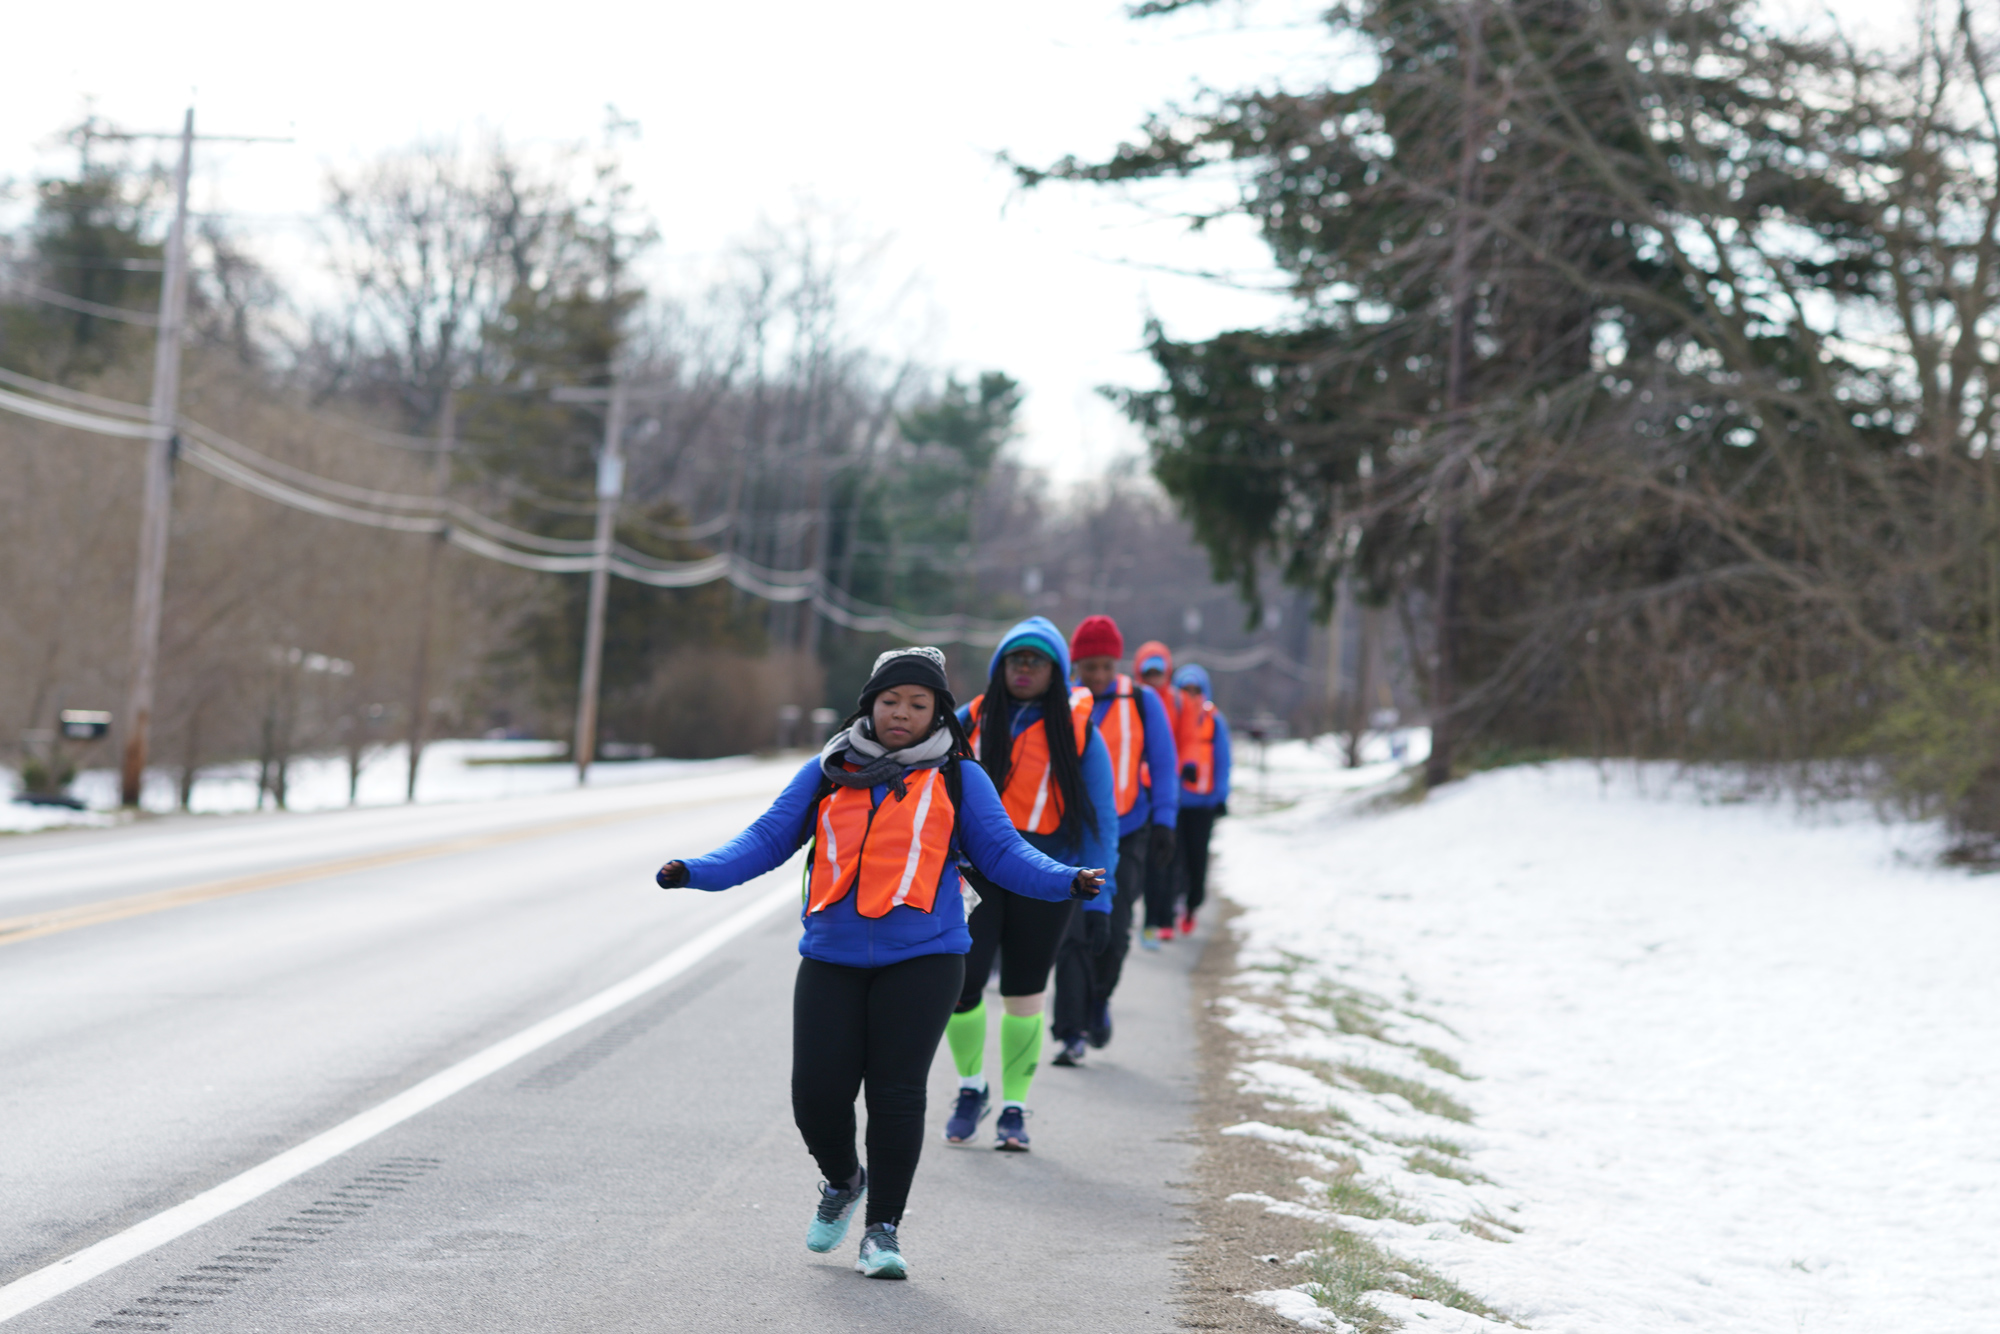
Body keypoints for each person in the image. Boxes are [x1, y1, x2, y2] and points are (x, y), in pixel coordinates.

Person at [652, 647, 1105, 1279]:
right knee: (815, 1096)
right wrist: (696, 871)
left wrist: (1068, 881)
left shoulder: (957, 776)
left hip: (925, 956)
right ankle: (843, 1180)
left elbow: (1004, 853)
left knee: (896, 1095)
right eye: (891, 701)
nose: (902, 714)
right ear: (870, 704)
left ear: (937, 712)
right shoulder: (829, 769)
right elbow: (767, 839)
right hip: (832, 955)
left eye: (919, 705)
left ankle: (882, 1232)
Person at [946, 616, 1119, 1151]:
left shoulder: (1080, 730)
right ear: (1000, 667)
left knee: (1023, 993)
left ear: (1056, 672)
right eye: (1016, 659)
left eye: (1037, 660)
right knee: (962, 985)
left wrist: (1099, 905)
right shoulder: (968, 719)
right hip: (976, 874)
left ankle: (1014, 1109)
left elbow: (1101, 822)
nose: (1025, 668)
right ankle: (971, 1088)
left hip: (1046, 877)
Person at [1049, 615, 1179, 1066]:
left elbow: (1163, 764)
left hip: (1129, 831)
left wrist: (1165, 822)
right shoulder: (1062, 702)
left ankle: (1099, 1000)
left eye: (1106, 666)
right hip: (1070, 834)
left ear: (1117, 663)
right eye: (1089, 667)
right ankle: (1070, 1031)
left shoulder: (1142, 703)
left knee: (1115, 929)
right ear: (1074, 665)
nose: (1098, 676)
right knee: (1071, 932)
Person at [1170, 663, 1232, 938]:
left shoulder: (1213, 720)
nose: (1190, 695)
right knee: (1172, 859)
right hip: (1173, 803)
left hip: (1203, 804)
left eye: (1195, 690)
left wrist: (1220, 796)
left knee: (1196, 859)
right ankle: (1168, 910)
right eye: (1185, 690)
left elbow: (1223, 761)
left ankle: (1192, 906)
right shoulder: (1169, 717)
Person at [1131, 640, 1184, 947]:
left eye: (1159, 672)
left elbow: (1184, 740)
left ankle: (1154, 921)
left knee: (1162, 860)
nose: (1153, 678)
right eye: (1148, 672)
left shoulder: (1177, 703)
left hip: (1168, 791)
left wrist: (1186, 765)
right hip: (1138, 792)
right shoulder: (1133, 700)